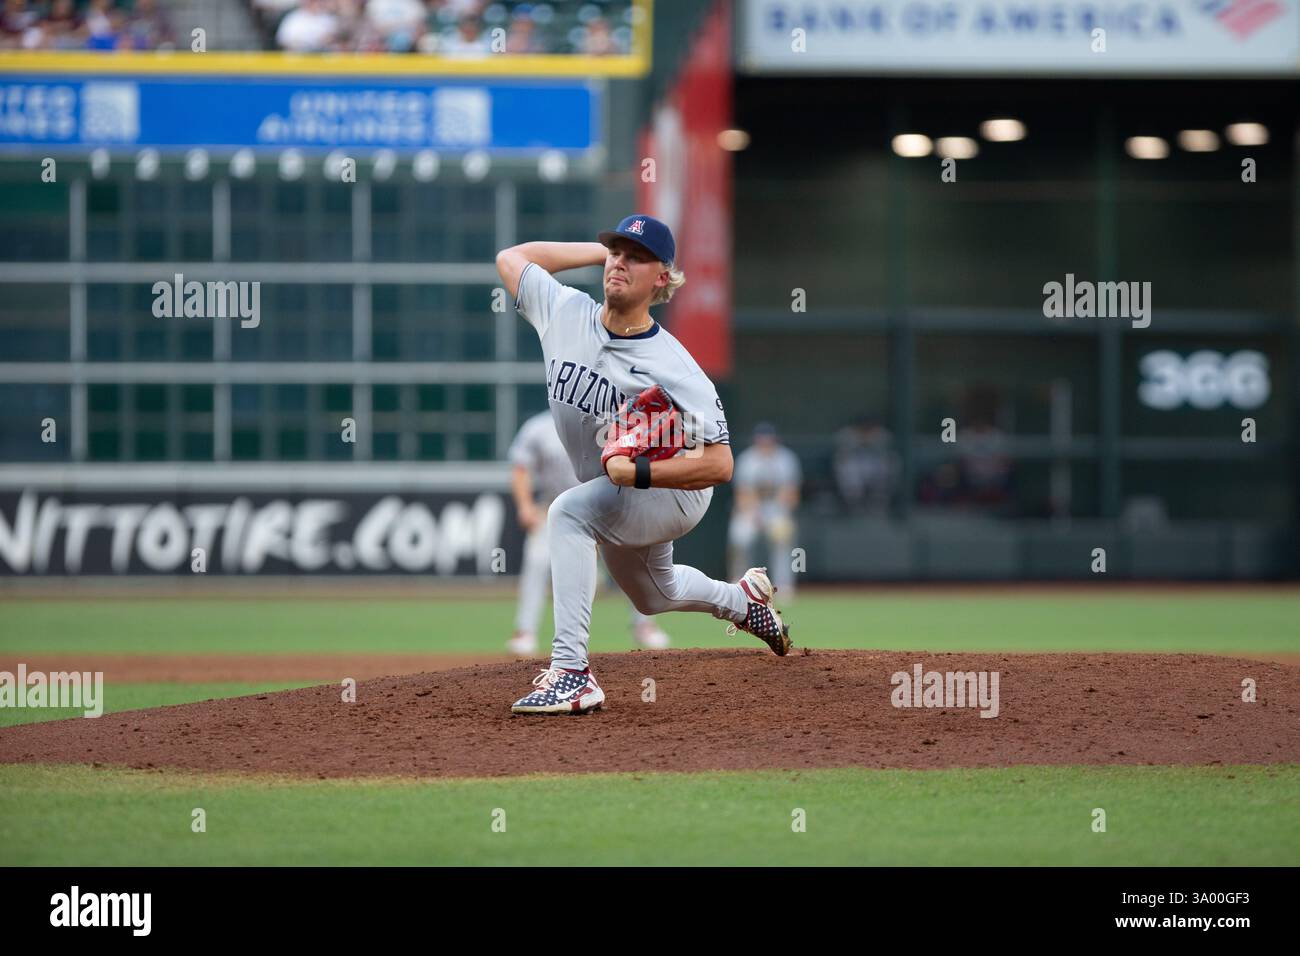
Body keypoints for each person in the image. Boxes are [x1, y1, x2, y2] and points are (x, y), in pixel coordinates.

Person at [495, 214, 791, 714]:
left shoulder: (674, 366)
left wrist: (642, 473)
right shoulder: (565, 312)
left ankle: (572, 674)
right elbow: (512, 259)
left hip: (674, 491)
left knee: (567, 514)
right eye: (616, 252)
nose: (620, 262)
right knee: (655, 595)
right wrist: (599, 251)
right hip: (617, 487)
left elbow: (720, 463)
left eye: (635, 257)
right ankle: (746, 603)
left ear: (662, 278)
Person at [506, 410, 671, 656]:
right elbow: (521, 467)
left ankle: (644, 625)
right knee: (537, 560)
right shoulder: (538, 427)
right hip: (556, 507)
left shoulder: (610, 421)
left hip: (608, 504)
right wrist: (525, 506)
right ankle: (525, 631)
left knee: (635, 562)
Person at [728, 423, 802, 596]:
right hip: (751, 508)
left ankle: (784, 586)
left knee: (783, 537)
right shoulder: (747, 459)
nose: (765, 443)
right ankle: (739, 583)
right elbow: (742, 494)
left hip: (776, 507)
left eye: (768, 439)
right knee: (740, 538)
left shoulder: (786, 459)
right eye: (762, 439)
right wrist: (754, 514)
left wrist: (779, 514)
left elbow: (791, 493)